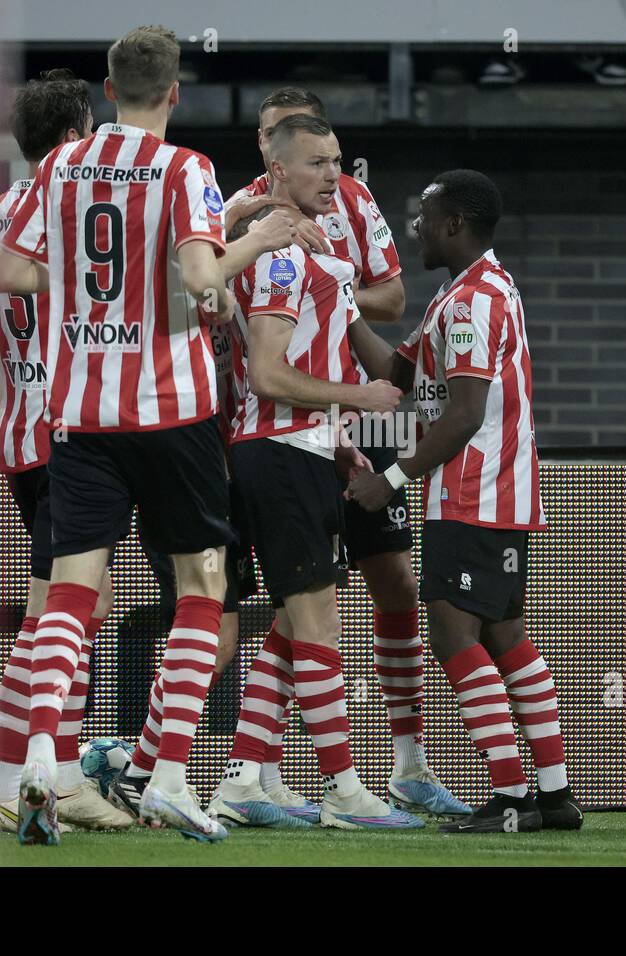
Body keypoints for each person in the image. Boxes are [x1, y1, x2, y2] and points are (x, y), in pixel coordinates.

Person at [0, 25, 272, 844]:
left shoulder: (60, 165)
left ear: (108, 91)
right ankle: (172, 777)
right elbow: (198, 277)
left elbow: (8, 272)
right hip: (172, 415)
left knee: (69, 595)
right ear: (174, 94)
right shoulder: (187, 169)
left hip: (79, 417)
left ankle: (42, 761)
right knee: (201, 586)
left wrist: (79, 284)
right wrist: (255, 238)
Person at [218, 88, 468, 820]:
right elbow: (266, 371)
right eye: (317, 163)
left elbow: (357, 323)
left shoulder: (318, 241)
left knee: (300, 620)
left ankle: (241, 779)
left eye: (336, 160)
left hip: (309, 445)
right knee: (312, 619)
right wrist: (356, 401)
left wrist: (341, 440)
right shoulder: (278, 251)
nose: (334, 174)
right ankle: (346, 790)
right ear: (275, 167)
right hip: (276, 444)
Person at [345, 170, 583, 833]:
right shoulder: (466, 292)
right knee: (507, 636)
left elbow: (464, 414)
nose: (416, 227)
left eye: (425, 216)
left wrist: (388, 481)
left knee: (453, 633)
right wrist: (341, 305)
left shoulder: (475, 300)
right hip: (502, 493)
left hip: (474, 492)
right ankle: (557, 796)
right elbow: (397, 371)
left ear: (455, 225)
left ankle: (509, 801)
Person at [0, 69, 130, 833]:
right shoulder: (75, 210)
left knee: (60, 607)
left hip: (15, 435)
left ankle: (35, 773)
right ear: (68, 139)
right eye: (88, 131)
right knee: (62, 611)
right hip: (69, 433)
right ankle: (28, 776)